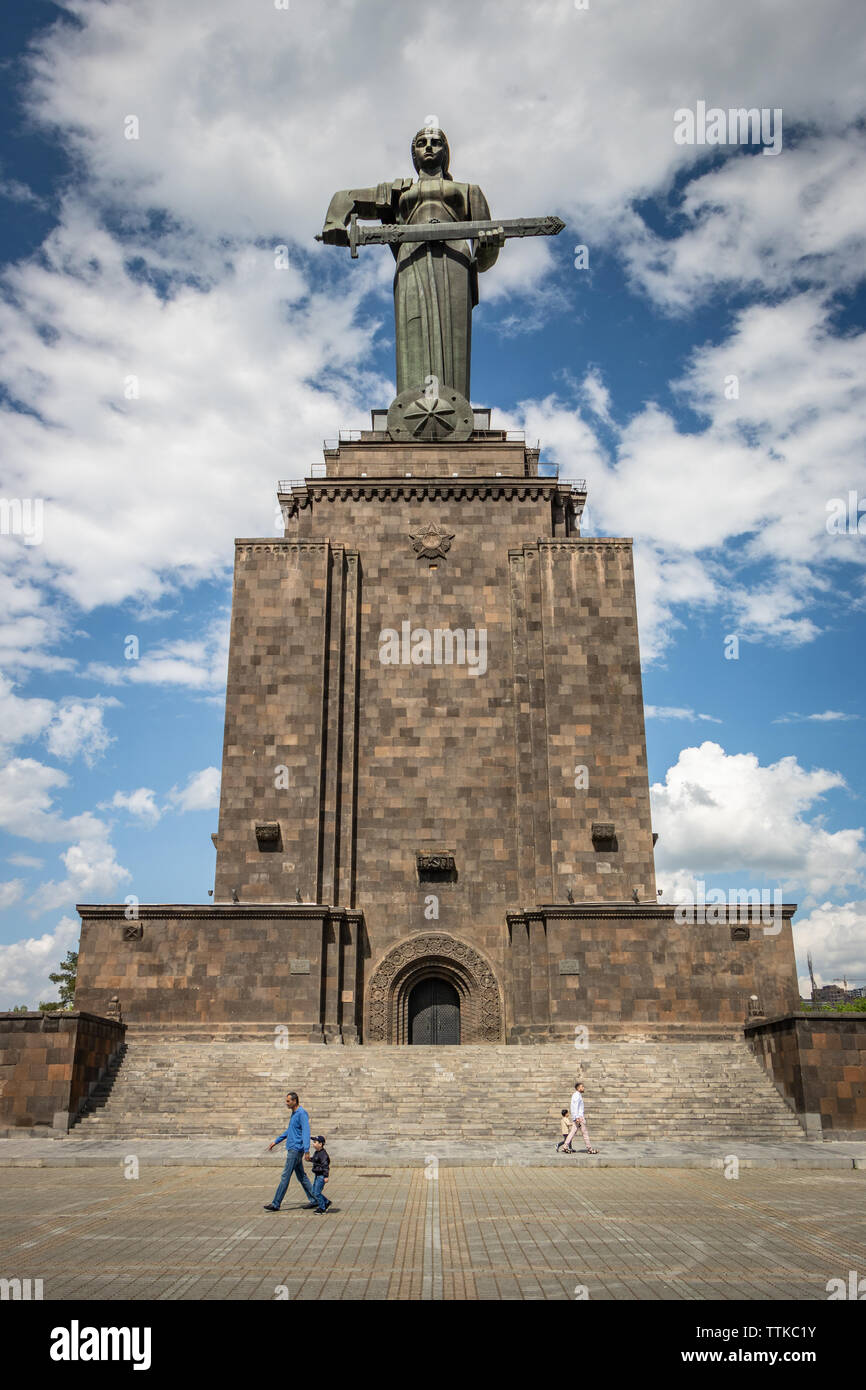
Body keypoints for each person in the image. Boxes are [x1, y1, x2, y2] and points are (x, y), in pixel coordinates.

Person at [263, 1091, 316, 1210]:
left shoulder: (301, 1113)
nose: (286, 1103)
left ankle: (276, 1203)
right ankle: (316, 1199)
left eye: (288, 1101)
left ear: (295, 1101)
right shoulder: (294, 1113)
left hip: (296, 1149)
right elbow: (290, 1131)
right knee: (302, 1176)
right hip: (293, 1148)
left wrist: (307, 1150)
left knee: (285, 1176)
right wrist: (276, 1141)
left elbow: (306, 1132)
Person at [562, 1081, 598, 1155]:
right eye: (582, 1087)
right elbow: (574, 1107)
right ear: (578, 1088)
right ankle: (589, 1149)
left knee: (572, 1132)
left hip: (577, 1117)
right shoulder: (576, 1095)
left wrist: (575, 1117)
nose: (583, 1088)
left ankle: (565, 1146)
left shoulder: (577, 1095)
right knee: (585, 1133)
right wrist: (577, 1117)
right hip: (579, 1118)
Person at [305, 1135, 332, 1214]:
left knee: (317, 1192)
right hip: (317, 1174)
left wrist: (326, 1176)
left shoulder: (323, 1154)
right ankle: (326, 1202)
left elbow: (325, 1166)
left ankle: (322, 1208)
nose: (313, 1144)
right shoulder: (317, 1152)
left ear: (320, 1144)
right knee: (314, 1191)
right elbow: (316, 1160)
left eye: (315, 1142)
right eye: (313, 1142)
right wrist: (310, 1159)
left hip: (321, 1176)